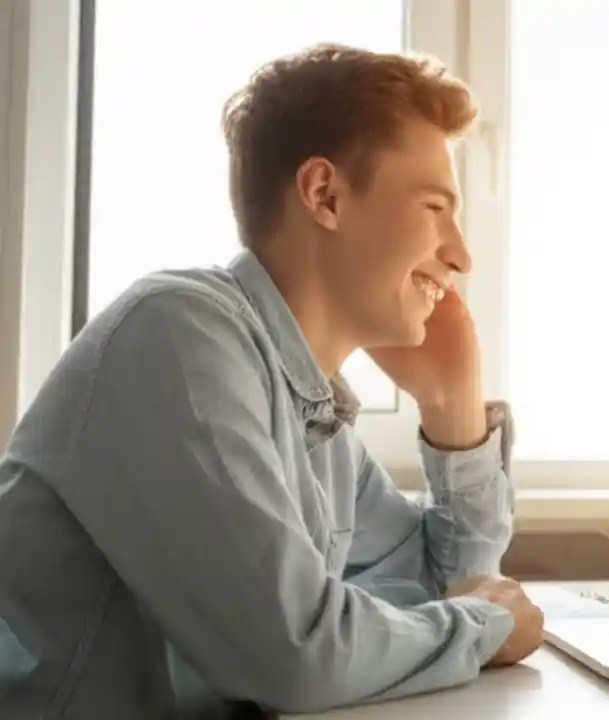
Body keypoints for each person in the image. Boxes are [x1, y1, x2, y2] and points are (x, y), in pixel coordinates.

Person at [0, 43, 544, 718]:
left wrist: (451, 406)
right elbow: (296, 655)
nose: (460, 255)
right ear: (325, 196)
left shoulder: (311, 414)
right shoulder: (177, 336)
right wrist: (484, 626)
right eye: (435, 208)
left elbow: (451, 589)